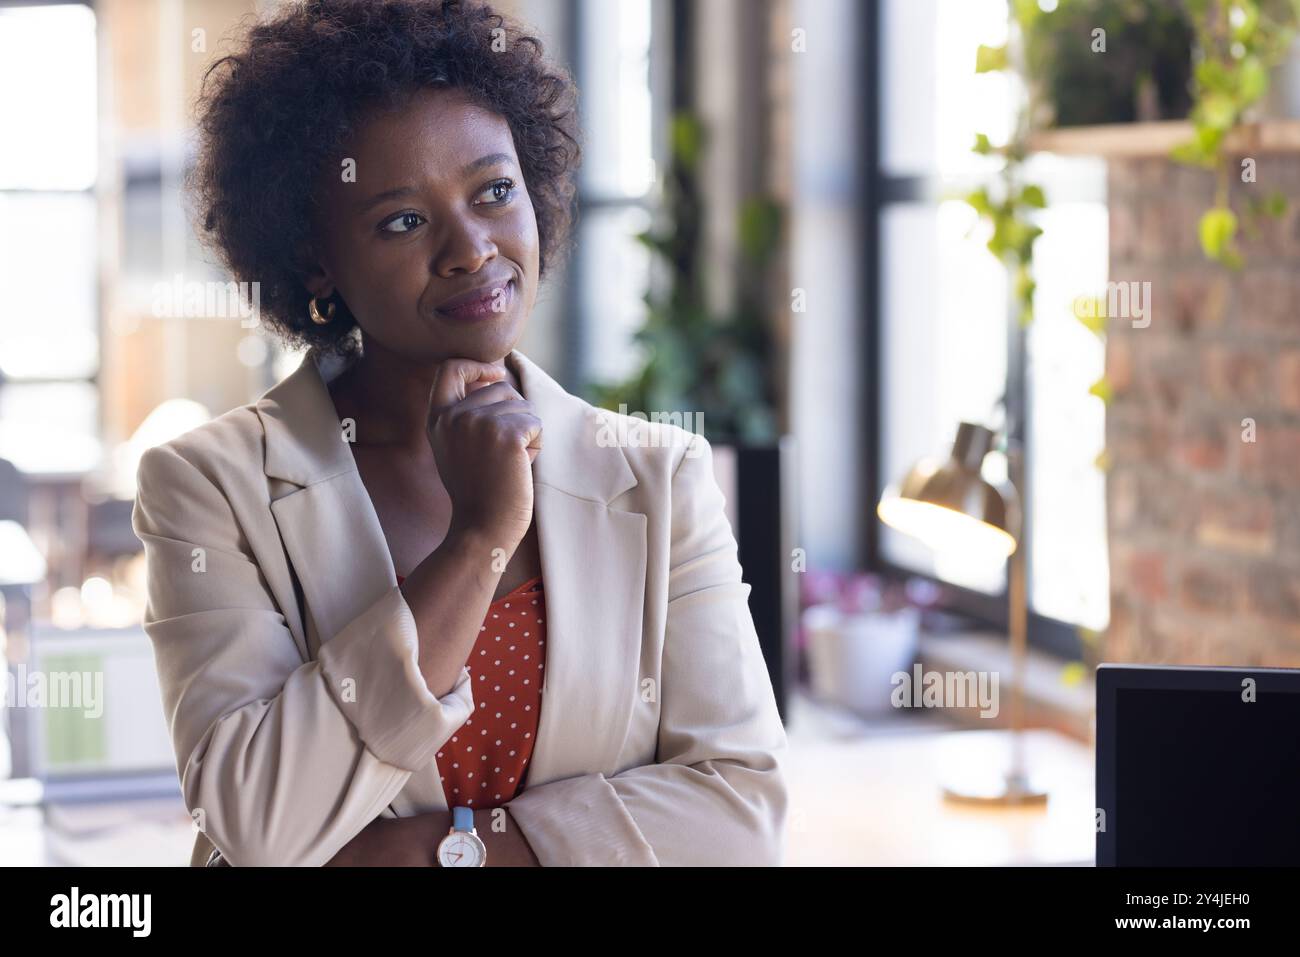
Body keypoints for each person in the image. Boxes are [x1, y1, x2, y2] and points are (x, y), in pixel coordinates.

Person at [133, 0, 788, 867]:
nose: (471, 249)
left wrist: (444, 852)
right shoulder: (207, 485)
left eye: (493, 192)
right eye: (402, 220)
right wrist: (476, 544)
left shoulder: (661, 477)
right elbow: (254, 817)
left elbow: (741, 815)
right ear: (315, 260)